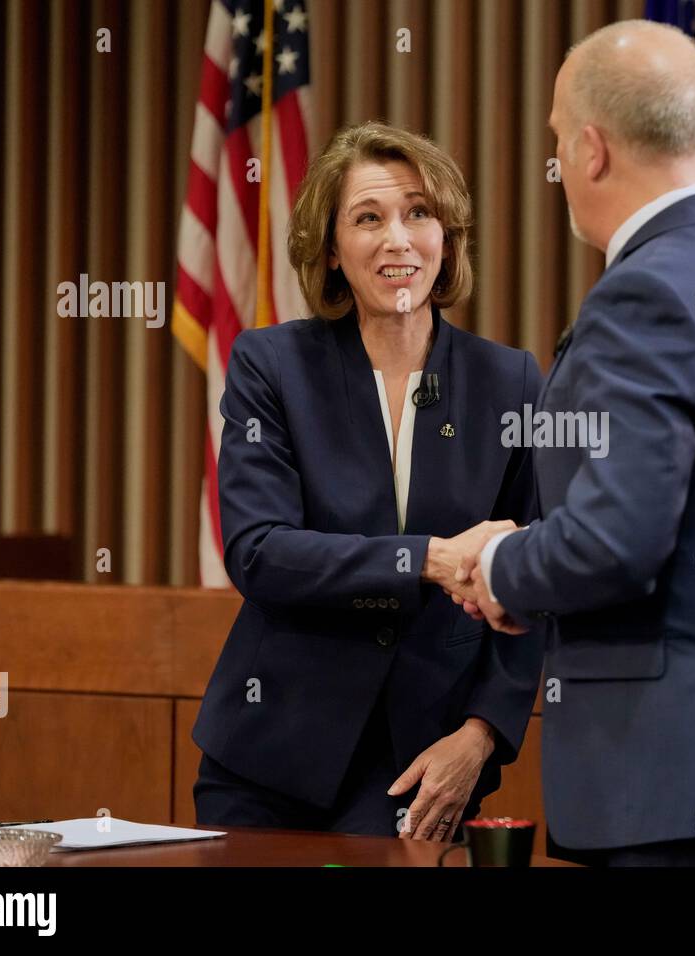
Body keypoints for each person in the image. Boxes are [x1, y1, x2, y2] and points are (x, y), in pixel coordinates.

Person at [458, 20, 695, 865]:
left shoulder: (648, 296)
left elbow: (615, 540)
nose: (558, 164)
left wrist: (497, 567)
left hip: (676, 765)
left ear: (592, 150)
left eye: (558, 140)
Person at [193, 122, 544, 842]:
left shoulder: (510, 382)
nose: (398, 239)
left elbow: (532, 584)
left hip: (423, 763)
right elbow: (259, 551)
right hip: (270, 760)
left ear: (446, 235)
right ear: (330, 249)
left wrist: (479, 738)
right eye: (368, 218)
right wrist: (428, 558)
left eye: (419, 212)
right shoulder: (273, 366)